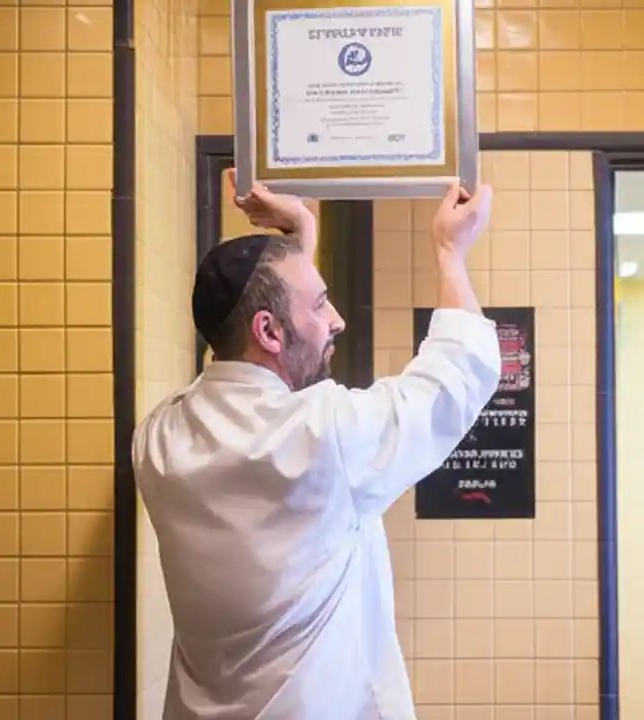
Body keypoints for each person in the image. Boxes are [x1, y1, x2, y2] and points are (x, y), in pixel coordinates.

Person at [132, 174, 500, 719]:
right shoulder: (328, 437)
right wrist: (450, 252)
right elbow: (455, 379)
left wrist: (299, 233)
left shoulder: (158, 439)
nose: (337, 321)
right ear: (270, 331)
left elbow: (245, 368)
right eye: (321, 304)